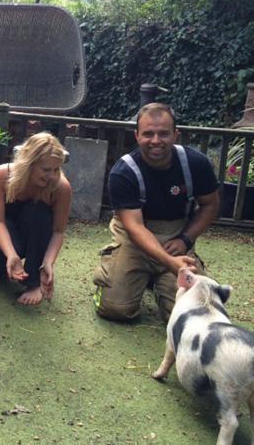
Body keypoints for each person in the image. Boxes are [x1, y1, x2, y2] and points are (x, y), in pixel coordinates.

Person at [93, 102, 220, 321]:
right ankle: (115, 277)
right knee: (116, 308)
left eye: (163, 134)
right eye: (148, 134)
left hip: (176, 237)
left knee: (192, 315)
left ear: (175, 134)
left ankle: (156, 282)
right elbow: (134, 227)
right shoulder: (123, 172)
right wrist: (170, 263)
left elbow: (211, 205)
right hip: (134, 238)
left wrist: (185, 240)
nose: (155, 141)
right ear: (137, 136)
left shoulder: (196, 164)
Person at [0, 132, 72, 306]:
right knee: (6, 247)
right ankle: (4, 262)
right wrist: (11, 255)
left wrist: (48, 263)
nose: (51, 175)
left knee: (38, 214)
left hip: (32, 224)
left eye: (56, 169)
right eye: (46, 169)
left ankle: (33, 282)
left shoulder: (61, 187)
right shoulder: (1, 175)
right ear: (29, 164)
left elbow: (58, 231)